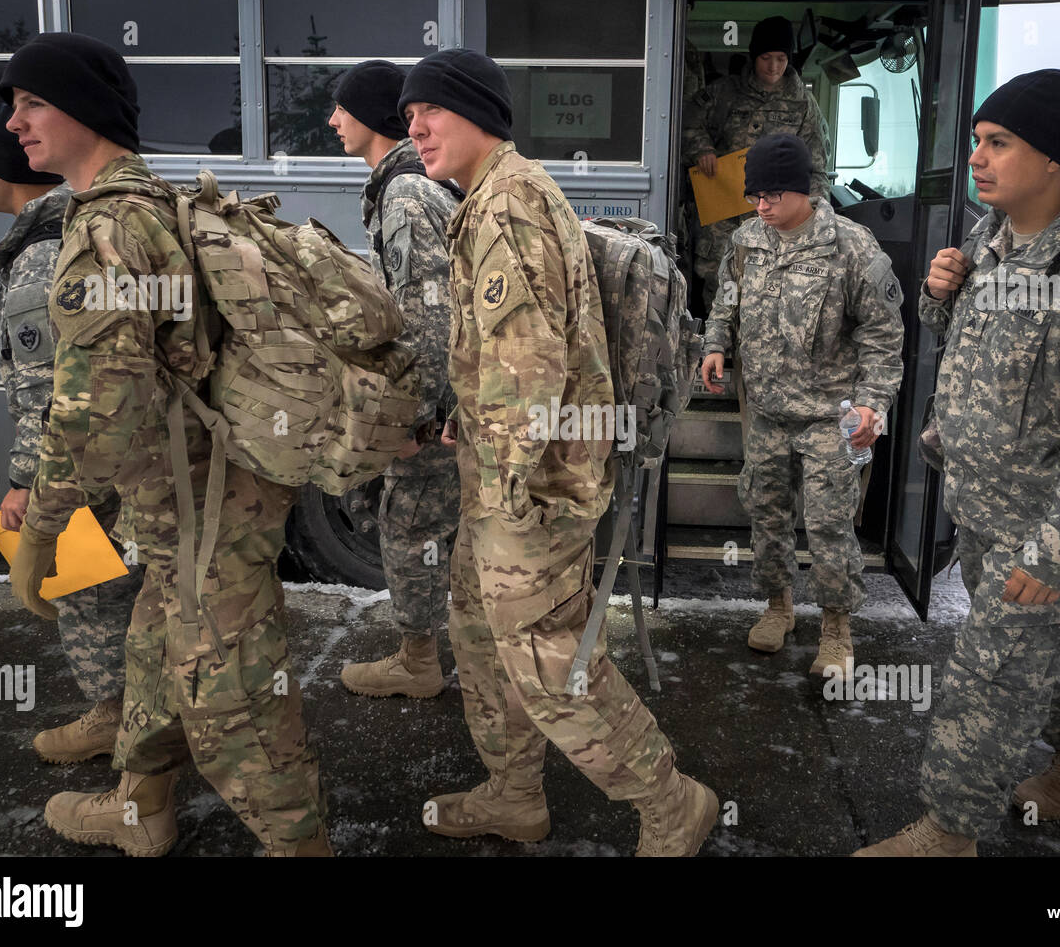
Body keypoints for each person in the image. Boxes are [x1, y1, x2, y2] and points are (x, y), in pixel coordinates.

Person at [1, 33, 330, 857]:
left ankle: (301, 845)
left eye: (31, 102)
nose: (14, 124)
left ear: (82, 109)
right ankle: (138, 806)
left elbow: (91, 413)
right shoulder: (156, 201)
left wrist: (40, 527)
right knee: (155, 652)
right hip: (202, 496)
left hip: (203, 511)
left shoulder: (110, 228)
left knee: (237, 701)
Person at [399, 48, 718, 856]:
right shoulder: (490, 198)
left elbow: (529, 369)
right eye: (407, 116)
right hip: (506, 481)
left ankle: (672, 801)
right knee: (482, 642)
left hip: (530, 494)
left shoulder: (506, 204)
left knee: (549, 668)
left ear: (475, 111)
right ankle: (515, 794)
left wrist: (506, 481)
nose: (415, 128)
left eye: (427, 110)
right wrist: (467, 426)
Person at [857, 70, 1060, 856]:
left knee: (989, 676)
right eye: (976, 141)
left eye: (999, 142)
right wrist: (941, 296)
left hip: (1046, 530)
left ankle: (947, 831)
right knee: (1043, 656)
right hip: (982, 511)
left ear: (1056, 161)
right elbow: (975, 353)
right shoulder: (991, 242)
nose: (977, 157)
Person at [0, 102, 141, 764]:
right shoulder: (58, 236)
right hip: (102, 453)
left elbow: (47, 390)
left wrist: (25, 485)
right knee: (114, 586)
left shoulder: (38, 259)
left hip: (75, 462)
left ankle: (117, 719)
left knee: (88, 589)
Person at [700, 133, 903, 672]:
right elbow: (727, 301)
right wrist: (716, 344)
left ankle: (836, 627)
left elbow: (883, 337)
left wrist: (871, 404)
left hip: (828, 417)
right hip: (766, 412)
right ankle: (777, 606)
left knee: (828, 522)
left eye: (771, 196)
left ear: (803, 191)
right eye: (754, 197)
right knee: (765, 514)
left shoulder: (851, 246)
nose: (760, 207)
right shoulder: (747, 240)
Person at [329, 60, 462, 698]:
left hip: (436, 411)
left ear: (372, 118)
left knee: (410, 526)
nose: (332, 121)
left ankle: (419, 661)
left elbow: (429, 320)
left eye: (342, 109)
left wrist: (413, 420)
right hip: (455, 404)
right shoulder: (416, 184)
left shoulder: (407, 196)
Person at [682, 15, 831, 313]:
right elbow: (685, 123)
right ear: (754, 56)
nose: (774, 66)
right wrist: (702, 149)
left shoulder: (804, 105)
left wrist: (813, 216)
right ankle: (718, 351)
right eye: (766, 57)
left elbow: (815, 169)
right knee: (719, 283)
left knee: (769, 288)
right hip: (722, 210)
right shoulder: (723, 93)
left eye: (781, 58)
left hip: (775, 214)